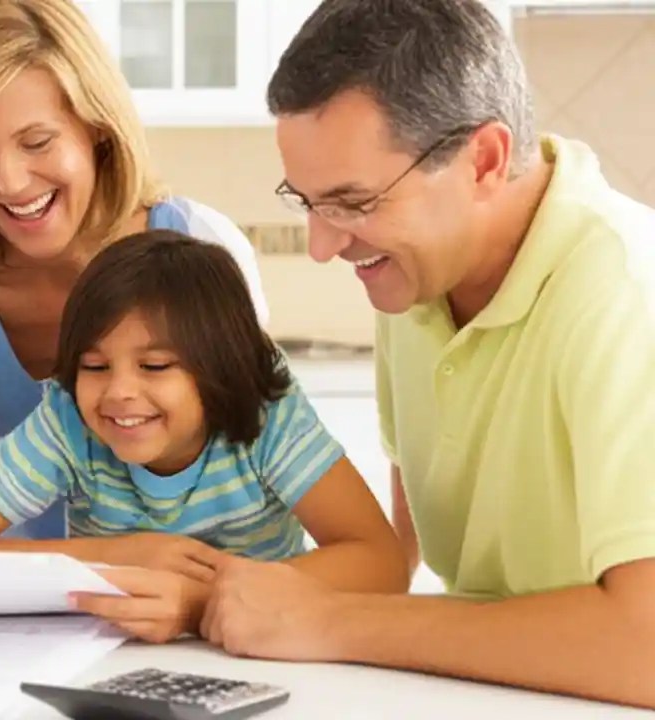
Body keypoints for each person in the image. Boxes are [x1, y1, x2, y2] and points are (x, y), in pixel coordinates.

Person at [195, 0, 655, 708]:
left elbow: (644, 648)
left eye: (354, 201)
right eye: (307, 201)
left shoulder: (627, 293)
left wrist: (326, 619)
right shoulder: (416, 285)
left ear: (485, 161)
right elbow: (406, 564)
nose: (323, 246)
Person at [0, 230, 409, 647]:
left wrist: (198, 599)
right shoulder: (71, 418)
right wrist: (119, 559)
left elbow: (378, 561)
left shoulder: (265, 407)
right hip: (110, 663)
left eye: (154, 367)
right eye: (95, 366)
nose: (118, 392)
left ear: (221, 368)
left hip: (264, 652)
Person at [0, 0, 270, 541]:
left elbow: (269, 461)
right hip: (5, 611)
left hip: (203, 601)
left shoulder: (205, 248)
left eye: (37, 142)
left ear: (97, 127)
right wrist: (116, 565)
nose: (11, 182)